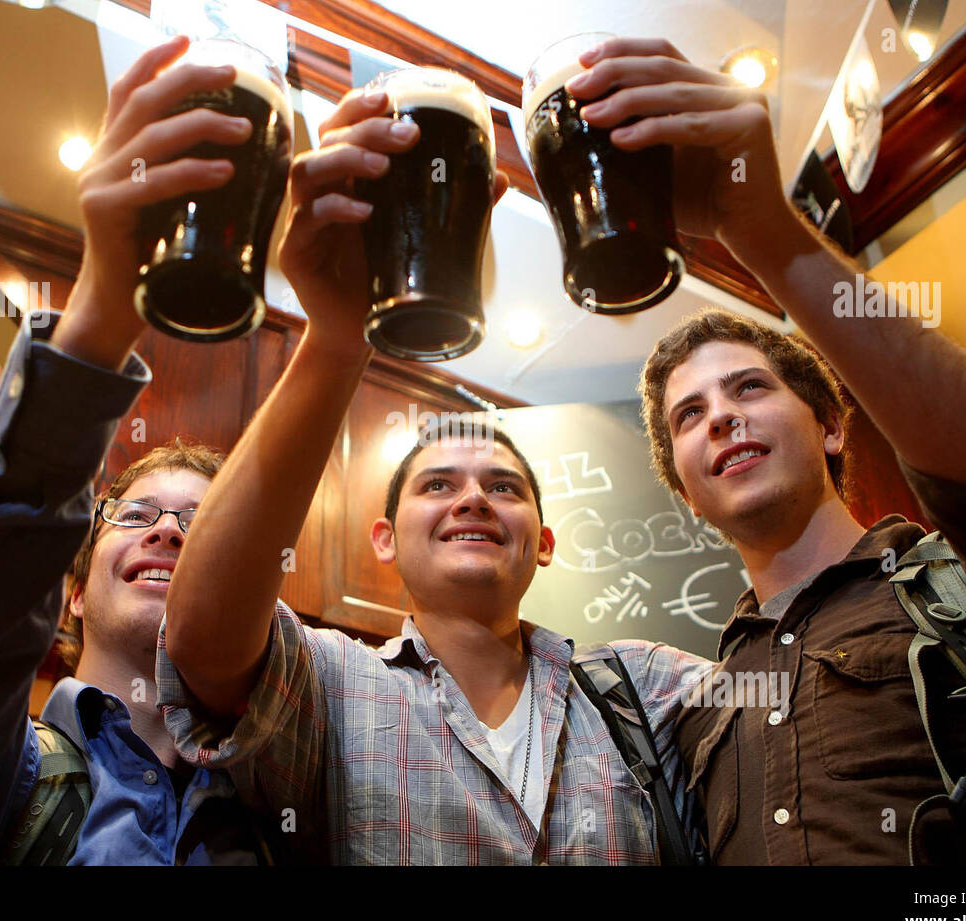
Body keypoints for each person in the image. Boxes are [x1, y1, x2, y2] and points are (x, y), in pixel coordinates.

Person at [558, 38, 966, 862]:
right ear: (688, 493)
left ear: (832, 426)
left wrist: (763, 228)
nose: (721, 420)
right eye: (689, 416)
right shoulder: (699, 711)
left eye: (749, 388)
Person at [155, 81, 710, 865]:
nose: (474, 497)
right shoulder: (332, 685)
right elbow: (202, 641)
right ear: (384, 539)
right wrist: (337, 339)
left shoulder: (641, 690)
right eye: (438, 484)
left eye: (505, 486)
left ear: (543, 542)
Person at [0, 36, 274, 865]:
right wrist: (108, 300)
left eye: (199, 525)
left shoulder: (283, 810)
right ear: (69, 593)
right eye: (139, 514)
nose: (169, 533)